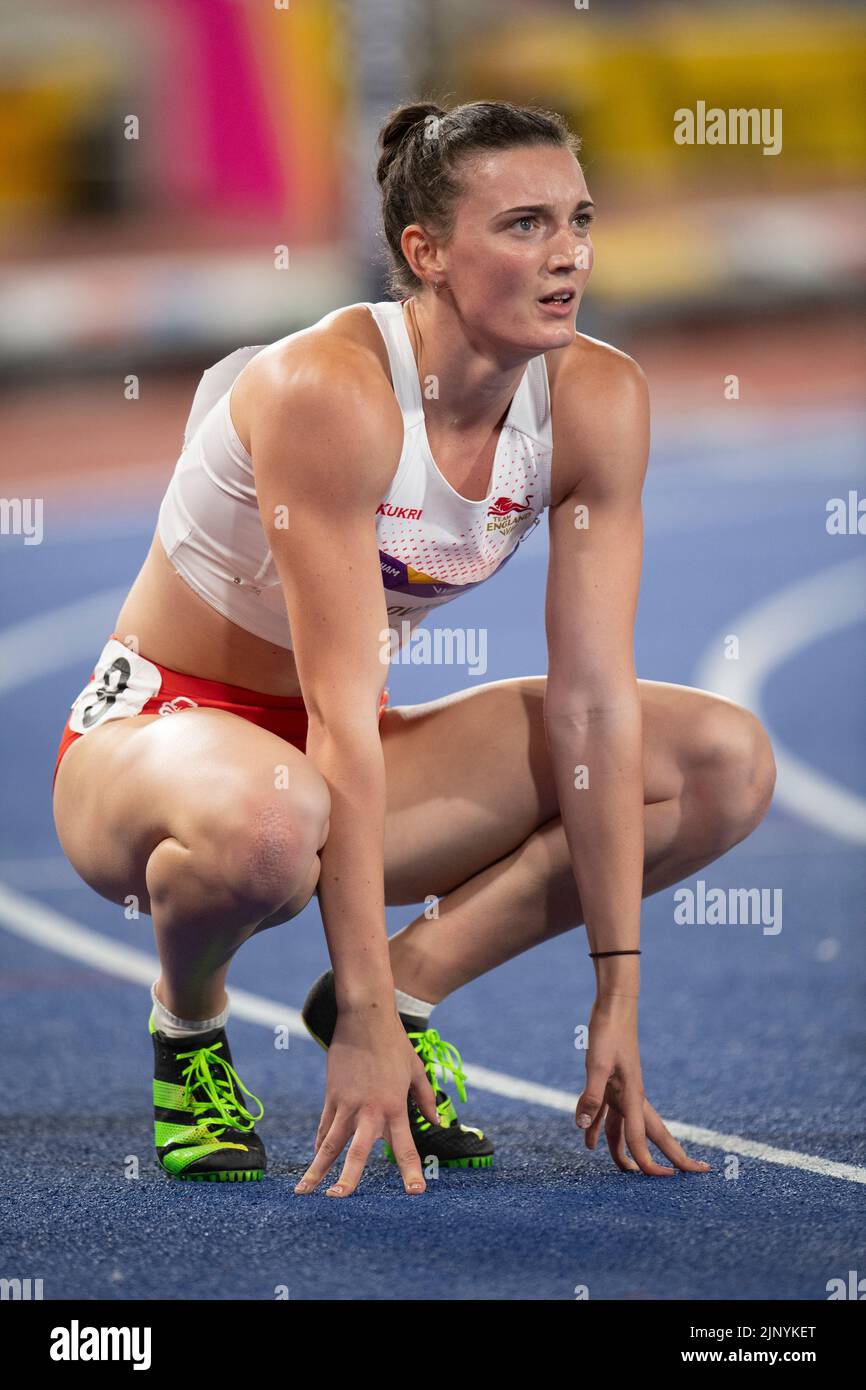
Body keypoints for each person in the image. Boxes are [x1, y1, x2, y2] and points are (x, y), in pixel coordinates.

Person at [52, 97, 776, 1198]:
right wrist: (366, 1038)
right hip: (159, 741)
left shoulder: (595, 398)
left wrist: (615, 997)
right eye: (523, 225)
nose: (568, 254)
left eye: (577, 219)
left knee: (721, 762)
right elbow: (339, 713)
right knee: (269, 823)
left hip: (337, 758)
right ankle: (188, 1030)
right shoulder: (326, 390)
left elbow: (591, 708)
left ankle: (408, 980)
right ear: (423, 252)